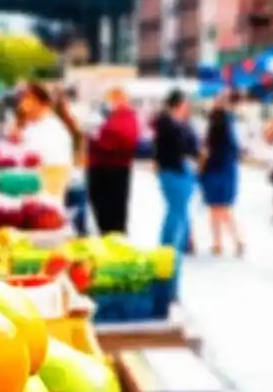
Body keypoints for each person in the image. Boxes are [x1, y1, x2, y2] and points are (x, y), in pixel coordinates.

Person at [153, 89, 199, 296]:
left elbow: (192, 146)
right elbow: (184, 147)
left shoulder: (179, 123)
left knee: (179, 214)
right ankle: (169, 252)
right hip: (173, 172)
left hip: (180, 172)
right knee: (176, 214)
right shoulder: (168, 125)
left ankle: (172, 250)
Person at [87, 87, 140, 235]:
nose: (116, 103)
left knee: (116, 211)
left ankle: (116, 239)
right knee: (99, 207)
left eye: (119, 99)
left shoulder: (128, 117)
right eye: (112, 99)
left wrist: (104, 133)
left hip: (117, 169)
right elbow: (91, 134)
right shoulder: (101, 115)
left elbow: (127, 139)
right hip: (97, 168)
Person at [199, 102, 245, 256]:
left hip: (212, 174)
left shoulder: (211, 137)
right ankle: (236, 239)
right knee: (224, 209)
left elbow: (205, 155)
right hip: (227, 174)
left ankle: (218, 243)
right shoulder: (230, 137)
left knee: (214, 209)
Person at [51, 90, 90, 235]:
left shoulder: (53, 129)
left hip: (61, 179)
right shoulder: (75, 128)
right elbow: (82, 157)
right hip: (77, 178)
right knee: (78, 225)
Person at [13, 83, 74, 169]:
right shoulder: (32, 126)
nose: (22, 106)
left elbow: (54, 166)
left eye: (27, 99)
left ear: (42, 104)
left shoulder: (54, 131)